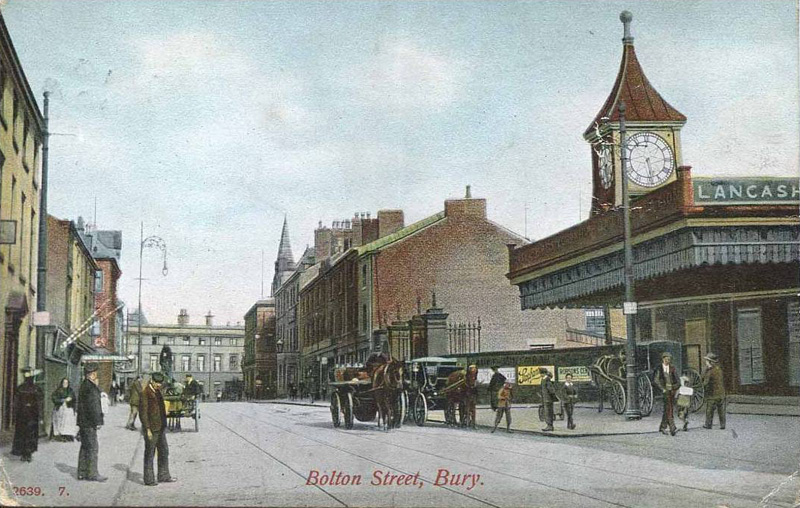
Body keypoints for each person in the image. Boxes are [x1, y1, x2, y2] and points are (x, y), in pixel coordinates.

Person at [139, 372, 177, 486]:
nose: (158, 385)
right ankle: (149, 479)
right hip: (151, 428)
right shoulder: (145, 393)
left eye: (160, 383)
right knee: (150, 453)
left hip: (160, 427)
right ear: (151, 380)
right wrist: (147, 429)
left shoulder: (158, 391)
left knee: (164, 451)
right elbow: (143, 413)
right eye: (157, 383)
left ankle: (163, 475)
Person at [77, 363, 107, 481]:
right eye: (94, 373)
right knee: (93, 447)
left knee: (85, 447)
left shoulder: (84, 386)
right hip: (89, 423)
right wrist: (98, 421)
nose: (96, 375)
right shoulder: (91, 388)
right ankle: (92, 473)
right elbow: (93, 406)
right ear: (91, 375)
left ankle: (82, 472)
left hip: (83, 422)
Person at [11, 367, 43, 462]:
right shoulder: (22, 388)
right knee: (24, 434)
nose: (27, 376)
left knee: (29, 434)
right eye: (26, 374)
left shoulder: (35, 388)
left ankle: (27, 453)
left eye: (28, 373)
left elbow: (39, 402)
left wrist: (40, 415)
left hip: (30, 415)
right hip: (24, 415)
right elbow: (16, 402)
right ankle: (24, 452)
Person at [654, 352, 679, 436]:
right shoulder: (659, 368)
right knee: (669, 409)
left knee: (667, 409)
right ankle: (673, 427)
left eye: (669, 359)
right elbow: (656, 380)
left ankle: (663, 427)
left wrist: (673, 387)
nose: (668, 361)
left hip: (671, 391)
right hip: (664, 392)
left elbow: (678, 382)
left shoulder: (672, 368)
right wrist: (662, 389)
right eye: (666, 359)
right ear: (663, 359)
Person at [702, 352, 726, 430]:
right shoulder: (719, 369)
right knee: (721, 410)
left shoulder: (710, 371)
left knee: (709, 410)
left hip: (713, 394)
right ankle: (722, 424)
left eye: (707, 361)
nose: (705, 362)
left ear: (710, 362)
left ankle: (708, 424)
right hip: (721, 393)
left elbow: (706, 383)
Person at [51, 377, 77, 441]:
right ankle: (60, 434)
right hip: (60, 409)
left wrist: (70, 399)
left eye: (66, 383)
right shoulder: (58, 390)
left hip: (68, 409)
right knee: (60, 421)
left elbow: (73, 398)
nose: (65, 384)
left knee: (68, 421)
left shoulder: (70, 390)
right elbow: (54, 398)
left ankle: (68, 434)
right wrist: (61, 401)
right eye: (64, 383)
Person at [540, 368, 557, 432]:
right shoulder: (544, 379)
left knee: (548, 413)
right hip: (545, 399)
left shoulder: (547, 380)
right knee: (547, 412)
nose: (540, 375)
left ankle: (549, 426)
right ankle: (549, 425)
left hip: (548, 399)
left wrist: (552, 398)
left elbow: (551, 390)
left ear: (543, 373)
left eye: (541, 373)